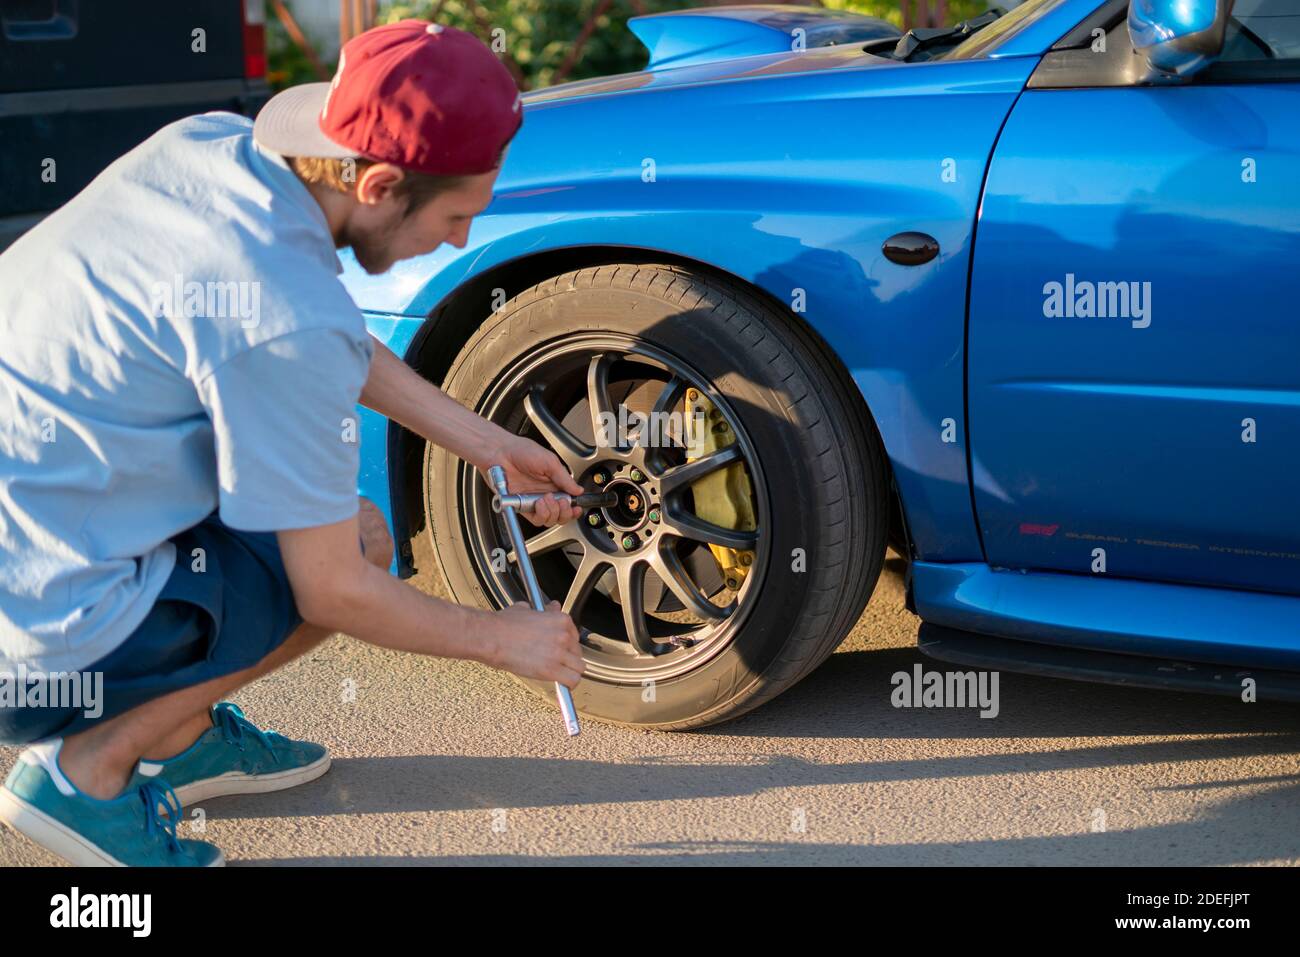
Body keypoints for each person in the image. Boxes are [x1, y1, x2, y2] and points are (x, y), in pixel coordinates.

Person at [0, 20, 584, 867]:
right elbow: (335, 592)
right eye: (458, 216)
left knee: (300, 523)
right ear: (382, 183)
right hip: (31, 649)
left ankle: (181, 733)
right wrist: (504, 639)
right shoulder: (281, 310)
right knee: (356, 541)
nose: (459, 241)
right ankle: (88, 774)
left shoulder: (212, 147)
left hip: (34, 520)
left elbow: (322, 327)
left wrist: (486, 442)